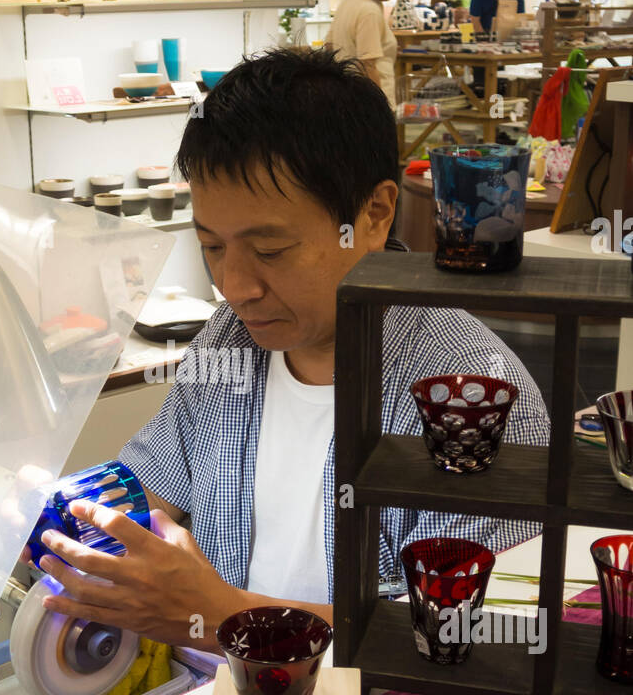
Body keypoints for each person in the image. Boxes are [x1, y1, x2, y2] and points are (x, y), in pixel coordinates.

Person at [27, 50, 550, 652]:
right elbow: (148, 487)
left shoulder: (469, 397)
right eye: (212, 247)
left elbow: (470, 641)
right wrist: (57, 517)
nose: (235, 286)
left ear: (374, 214)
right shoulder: (229, 342)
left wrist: (226, 617)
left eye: (270, 249)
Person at [327, 0, 419, 112]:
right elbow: (368, 66)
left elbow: (330, 46)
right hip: (368, 104)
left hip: (345, 98)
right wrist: (380, 110)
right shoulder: (369, 10)